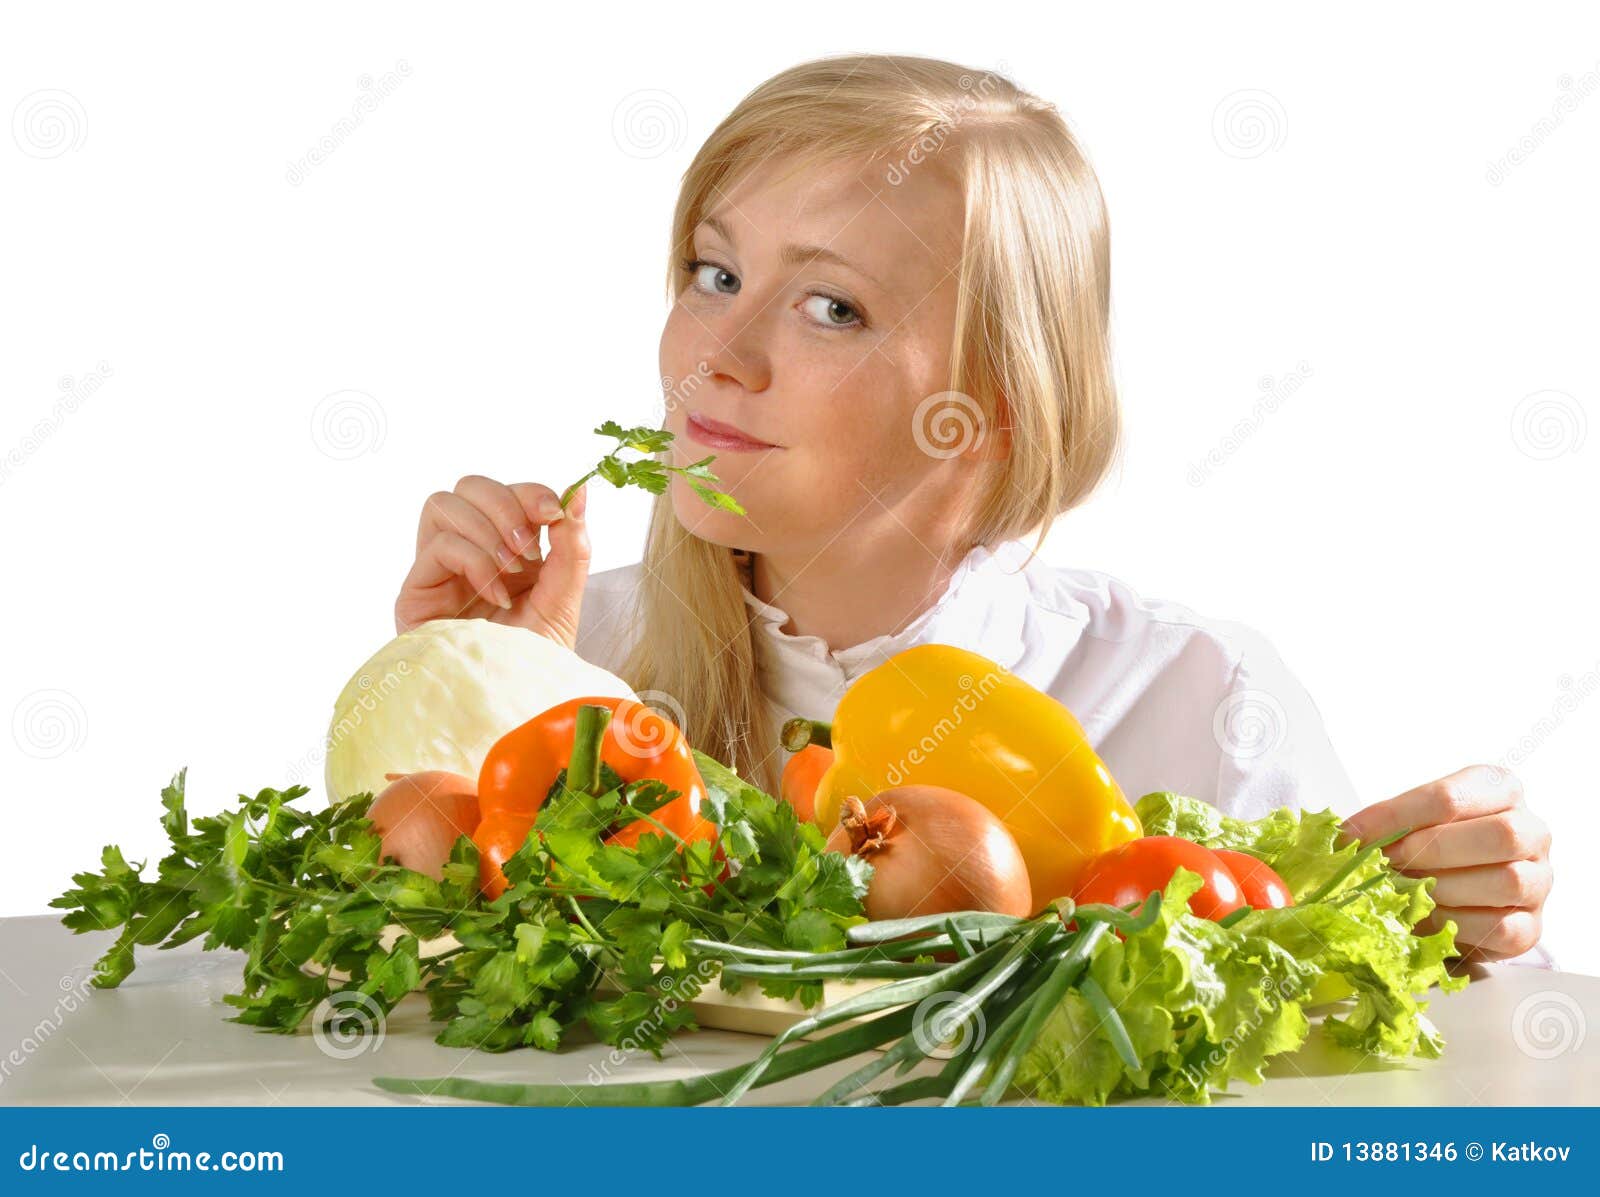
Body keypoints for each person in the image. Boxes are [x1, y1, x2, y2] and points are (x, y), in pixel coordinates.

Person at [392, 55, 1552, 965]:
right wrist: (471, 704)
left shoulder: (1191, 702)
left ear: (995, 406)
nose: (721, 357)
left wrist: (1462, 919)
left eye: (833, 307)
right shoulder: (577, 661)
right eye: (716, 274)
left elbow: (1380, 1049)